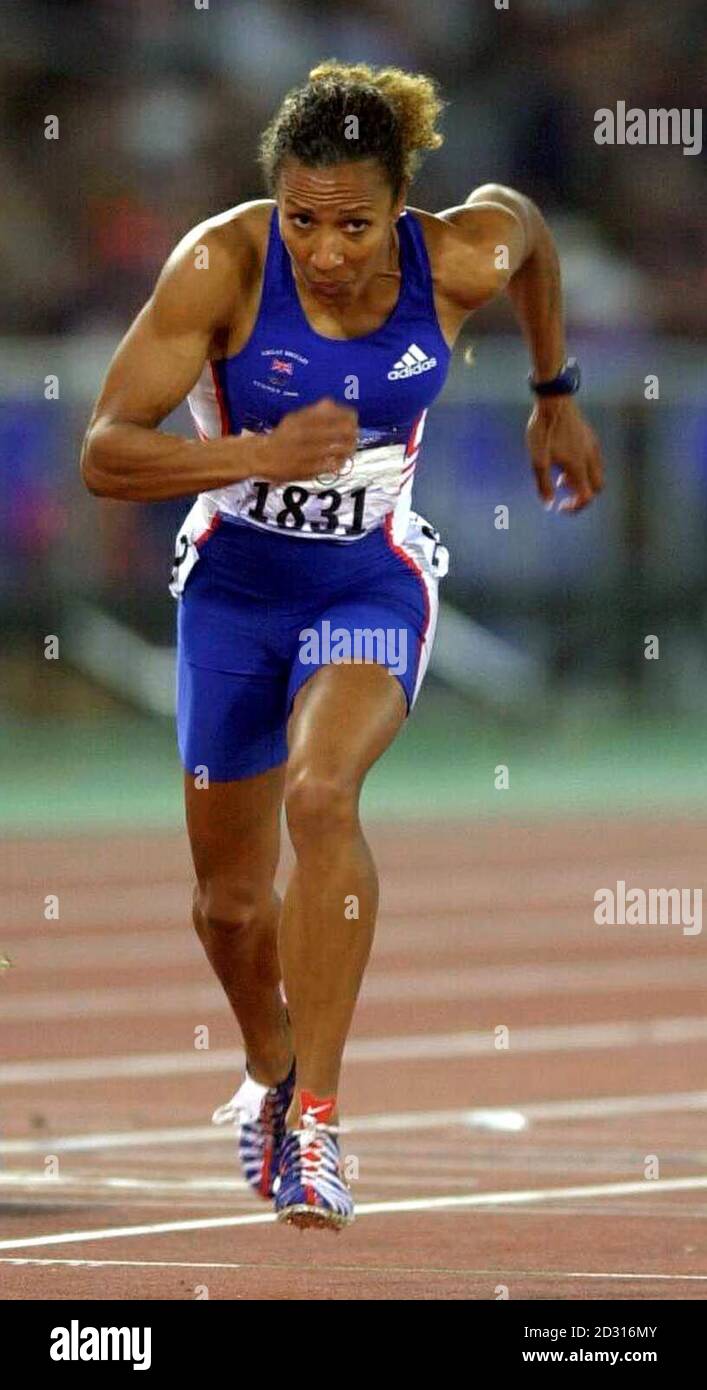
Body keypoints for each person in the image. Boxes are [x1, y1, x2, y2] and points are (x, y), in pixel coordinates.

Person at [80, 60, 603, 1231]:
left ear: (400, 205)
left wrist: (553, 389)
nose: (322, 249)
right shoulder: (221, 264)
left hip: (368, 578)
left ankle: (315, 1118)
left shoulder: (455, 258)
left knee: (321, 797)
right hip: (234, 589)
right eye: (302, 219)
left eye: (352, 224)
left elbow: (527, 231)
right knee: (224, 906)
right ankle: (269, 1070)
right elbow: (107, 451)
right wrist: (248, 458)